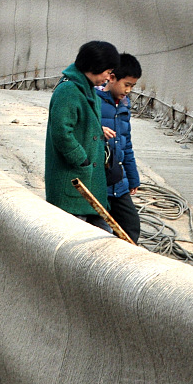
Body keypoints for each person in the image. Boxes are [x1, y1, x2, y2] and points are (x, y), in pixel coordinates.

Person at [45, 40, 119, 231]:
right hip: (73, 179)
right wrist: (81, 159)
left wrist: (95, 129)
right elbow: (61, 132)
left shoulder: (86, 89)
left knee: (103, 235)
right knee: (73, 236)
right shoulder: (69, 90)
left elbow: (79, 121)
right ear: (95, 66)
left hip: (87, 180)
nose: (109, 77)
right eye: (108, 71)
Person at [98, 53, 142, 243]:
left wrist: (132, 178)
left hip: (119, 181)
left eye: (132, 86)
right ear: (112, 77)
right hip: (99, 180)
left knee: (131, 226)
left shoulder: (124, 106)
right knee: (101, 229)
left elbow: (127, 143)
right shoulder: (94, 101)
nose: (129, 91)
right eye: (127, 85)